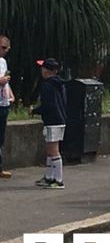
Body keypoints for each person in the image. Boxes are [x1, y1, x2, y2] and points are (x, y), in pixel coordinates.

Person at [32, 58, 67, 189]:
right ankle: (49, 176)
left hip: (52, 120)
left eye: (43, 67)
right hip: (60, 119)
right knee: (50, 150)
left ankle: (58, 180)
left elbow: (48, 104)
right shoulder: (60, 84)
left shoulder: (47, 85)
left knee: (53, 150)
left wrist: (36, 110)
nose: (41, 70)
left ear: (47, 70)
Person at [0, 35, 14, 179]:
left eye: (6, 48)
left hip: (3, 102)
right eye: (2, 48)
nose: (4, 51)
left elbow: (6, 80)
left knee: (1, 137)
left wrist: (10, 93)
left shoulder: (3, 62)